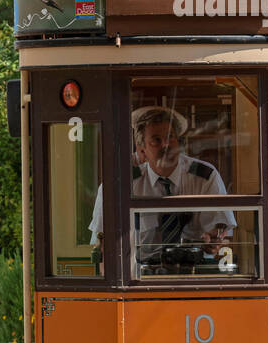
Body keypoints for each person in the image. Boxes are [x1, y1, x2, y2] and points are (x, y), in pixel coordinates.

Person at [89, 105, 235, 254]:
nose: (165, 145)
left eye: (170, 137)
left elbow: (223, 235)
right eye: (156, 140)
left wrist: (215, 238)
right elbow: (101, 244)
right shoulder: (121, 184)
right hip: (140, 272)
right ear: (142, 149)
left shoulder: (205, 177)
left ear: (179, 142)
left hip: (194, 269)